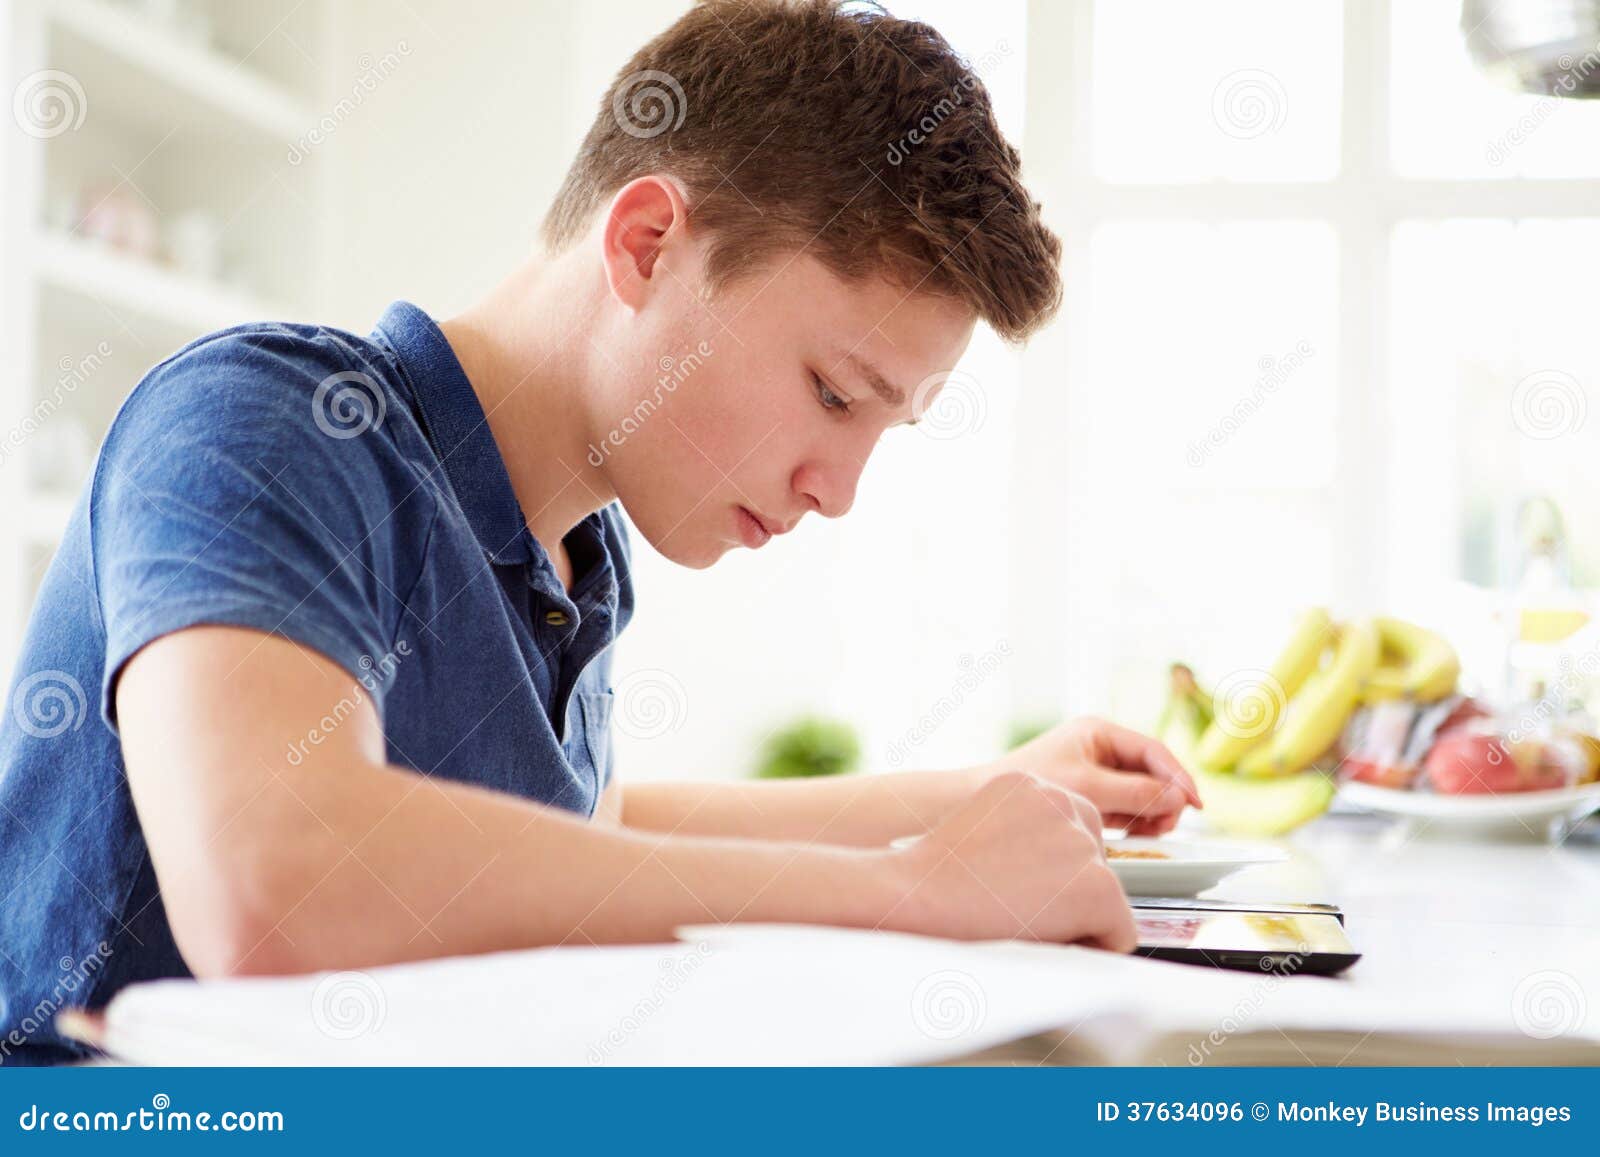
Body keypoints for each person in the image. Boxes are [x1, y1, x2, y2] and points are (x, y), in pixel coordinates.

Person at [0, 0, 1197, 1065]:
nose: (837, 491)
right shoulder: (269, 420)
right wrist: (902, 889)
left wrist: (975, 793)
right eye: (834, 393)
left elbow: (584, 832)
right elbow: (277, 876)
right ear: (645, 243)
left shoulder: (579, 553)